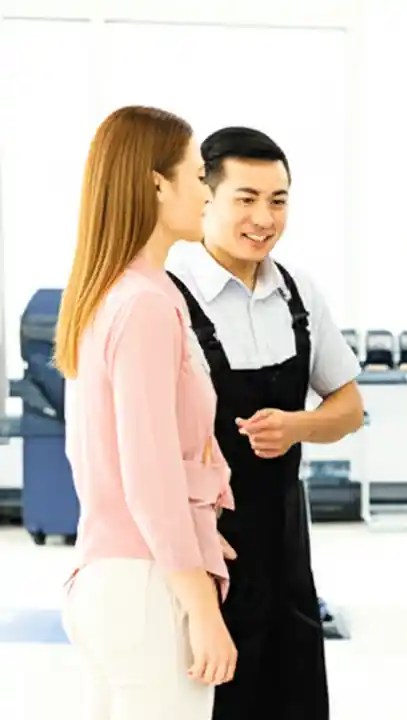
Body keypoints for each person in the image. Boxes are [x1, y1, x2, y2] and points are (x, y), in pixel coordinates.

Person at [164, 125, 364, 720]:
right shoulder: (169, 297)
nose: (264, 218)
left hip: (285, 537)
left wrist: (299, 426)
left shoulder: (299, 293)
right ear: (206, 198)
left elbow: (349, 408)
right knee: (216, 699)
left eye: (278, 200)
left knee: (295, 694)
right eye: (245, 199)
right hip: (207, 544)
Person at [57, 105, 238, 719]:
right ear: (157, 184)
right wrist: (201, 606)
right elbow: (149, 475)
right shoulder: (146, 306)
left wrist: (199, 528)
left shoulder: (114, 295)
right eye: (197, 176)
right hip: (146, 591)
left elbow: (108, 459)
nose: (207, 193)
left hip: (113, 581)